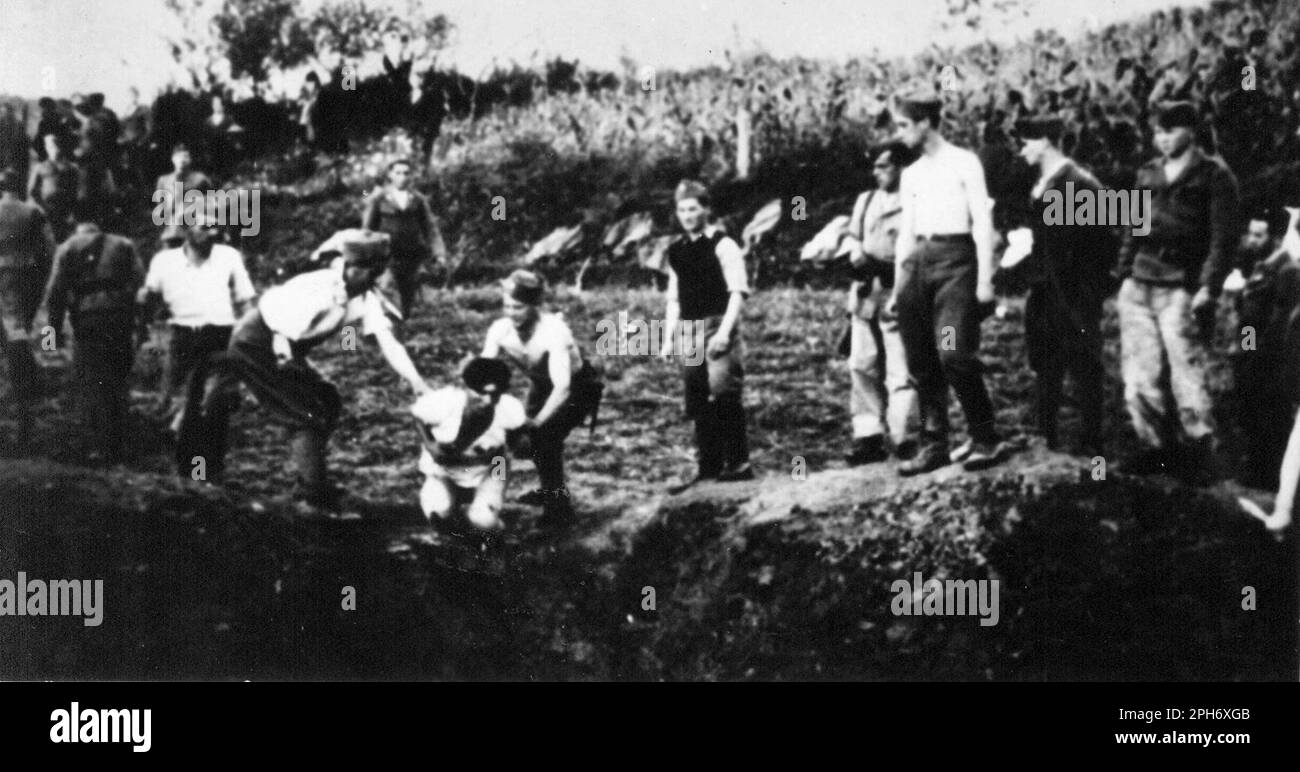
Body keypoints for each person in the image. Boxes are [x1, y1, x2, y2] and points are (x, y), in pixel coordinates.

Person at [196, 229, 429, 511]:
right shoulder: (319, 287)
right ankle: (311, 495)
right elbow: (278, 323)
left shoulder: (365, 297)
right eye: (367, 270)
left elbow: (388, 342)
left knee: (327, 399)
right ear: (348, 265)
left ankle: (313, 479)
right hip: (257, 340)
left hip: (287, 345)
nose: (373, 278)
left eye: (378, 271)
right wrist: (290, 365)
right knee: (305, 413)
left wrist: (416, 381)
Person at [1114, 101, 1240, 482]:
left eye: (1171, 130)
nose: (1163, 138)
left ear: (1190, 130)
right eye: (1158, 131)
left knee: (1186, 370)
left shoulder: (1213, 175)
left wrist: (1208, 288)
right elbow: (1131, 228)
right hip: (1140, 283)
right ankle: (1156, 449)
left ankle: (1202, 451)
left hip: (1180, 285)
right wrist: (1123, 274)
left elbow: (1223, 239)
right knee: (1139, 375)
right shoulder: (1148, 172)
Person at [886, 93, 1006, 475]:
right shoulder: (911, 173)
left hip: (955, 266)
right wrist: (896, 288)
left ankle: (986, 436)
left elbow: (983, 223)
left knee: (951, 350)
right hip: (916, 268)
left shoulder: (964, 162)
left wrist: (985, 280)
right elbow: (905, 233)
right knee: (920, 358)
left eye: (904, 124)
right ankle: (934, 443)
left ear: (925, 122)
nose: (898, 133)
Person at [1013, 116, 1115, 456]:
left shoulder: (1080, 183)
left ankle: (1092, 440)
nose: (1021, 149)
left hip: (1075, 288)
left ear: (1045, 142)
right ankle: (1047, 436)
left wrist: (1088, 290)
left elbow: (1105, 240)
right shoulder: (1043, 182)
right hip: (1045, 285)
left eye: (1026, 142)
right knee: (1045, 359)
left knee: (1083, 360)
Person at [481, 269, 603, 527]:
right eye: (507, 306)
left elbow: (563, 388)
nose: (511, 313)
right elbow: (484, 370)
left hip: (578, 387)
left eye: (518, 307)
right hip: (541, 385)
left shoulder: (554, 331)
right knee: (526, 444)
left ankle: (559, 511)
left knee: (545, 439)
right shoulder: (500, 329)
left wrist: (536, 423)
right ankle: (551, 489)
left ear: (534, 306)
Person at [137, 219, 256, 475]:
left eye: (216, 227)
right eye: (205, 227)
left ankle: (212, 469)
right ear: (186, 230)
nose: (213, 232)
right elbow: (149, 296)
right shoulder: (164, 261)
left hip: (221, 336)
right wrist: (145, 315)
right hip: (184, 337)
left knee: (217, 404)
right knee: (187, 403)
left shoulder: (229, 257)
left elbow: (246, 300)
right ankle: (190, 470)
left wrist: (251, 334)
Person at [660, 179, 753, 491]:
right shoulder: (677, 251)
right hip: (689, 329)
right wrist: (668, 337)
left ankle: (738, 462)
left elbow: (738, 292)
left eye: (693, 208)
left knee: (723, 389)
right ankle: (708, 466)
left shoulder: (723, 245)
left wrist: (725, 333)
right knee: (697, 394)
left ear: (706, 210)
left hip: (717, 326)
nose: (687, 215)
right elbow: (674, 297)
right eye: (682, 209)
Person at [42, 220, 145, 462]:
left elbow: (54, 293)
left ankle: (98, 445)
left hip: (87, 319)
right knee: (118, 377)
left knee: (91, 379)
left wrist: (52, 336)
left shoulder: (67, 247)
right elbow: (141, 286)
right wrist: (141, 326)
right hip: (119, 317)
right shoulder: (124, 244)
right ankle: (119, 444)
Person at [842, 141, 919, 464]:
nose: (877, 173)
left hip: (898, 287)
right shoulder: (867, 200)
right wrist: (853, 250)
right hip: (866, 289)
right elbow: (851, 234)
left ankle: (906, 437)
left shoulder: (916, 200)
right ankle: (868, 435)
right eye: (874, 167)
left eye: (884, 166)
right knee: (862, 363)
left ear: (902, 167)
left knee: (900, 367)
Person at [412, 357, 527, 532]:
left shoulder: (510, 409)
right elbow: (417, 416)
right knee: (439, 515)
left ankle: (494, 530)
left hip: (492, 466)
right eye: (482, 393)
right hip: (445, 469)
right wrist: (429, 444)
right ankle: (454, 508)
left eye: (494, 394)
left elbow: (515, 436)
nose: (488, 400)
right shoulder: (444, 402)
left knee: (483, 522)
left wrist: (504, 456)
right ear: (467, 388)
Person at [361, 159, 446, 317]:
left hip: (411, 257)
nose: (402, 177)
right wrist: (366, 257)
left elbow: (430, 228)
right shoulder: (379, 198)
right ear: (390, 175)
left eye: (406, 173)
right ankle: (387, 331)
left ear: (411, 176)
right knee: (387, 291)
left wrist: (439, 253)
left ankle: (402, 329)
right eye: (398, 173)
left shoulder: (418, 199)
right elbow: (367, 230)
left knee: (407, 296)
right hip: (387, 256)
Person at [0, 169, 56, 403]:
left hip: (4, 274)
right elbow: (49, 247)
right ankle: (25, 379)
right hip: (30, 275)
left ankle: (24, 385)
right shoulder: (34, 211)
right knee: (21, 326)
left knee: (14, 330)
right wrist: (44, 275)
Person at [28, 134, 79, 241]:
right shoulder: (40, 167)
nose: (54, 149)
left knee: (62, 240)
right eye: (50, 147)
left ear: (60, 147)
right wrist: (42, 208)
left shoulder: (71, 168)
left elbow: (76, 191)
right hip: (45, 211)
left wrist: (71, 212)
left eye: (56, 146)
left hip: (64, 212)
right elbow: (32, 191)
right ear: (46, 148)